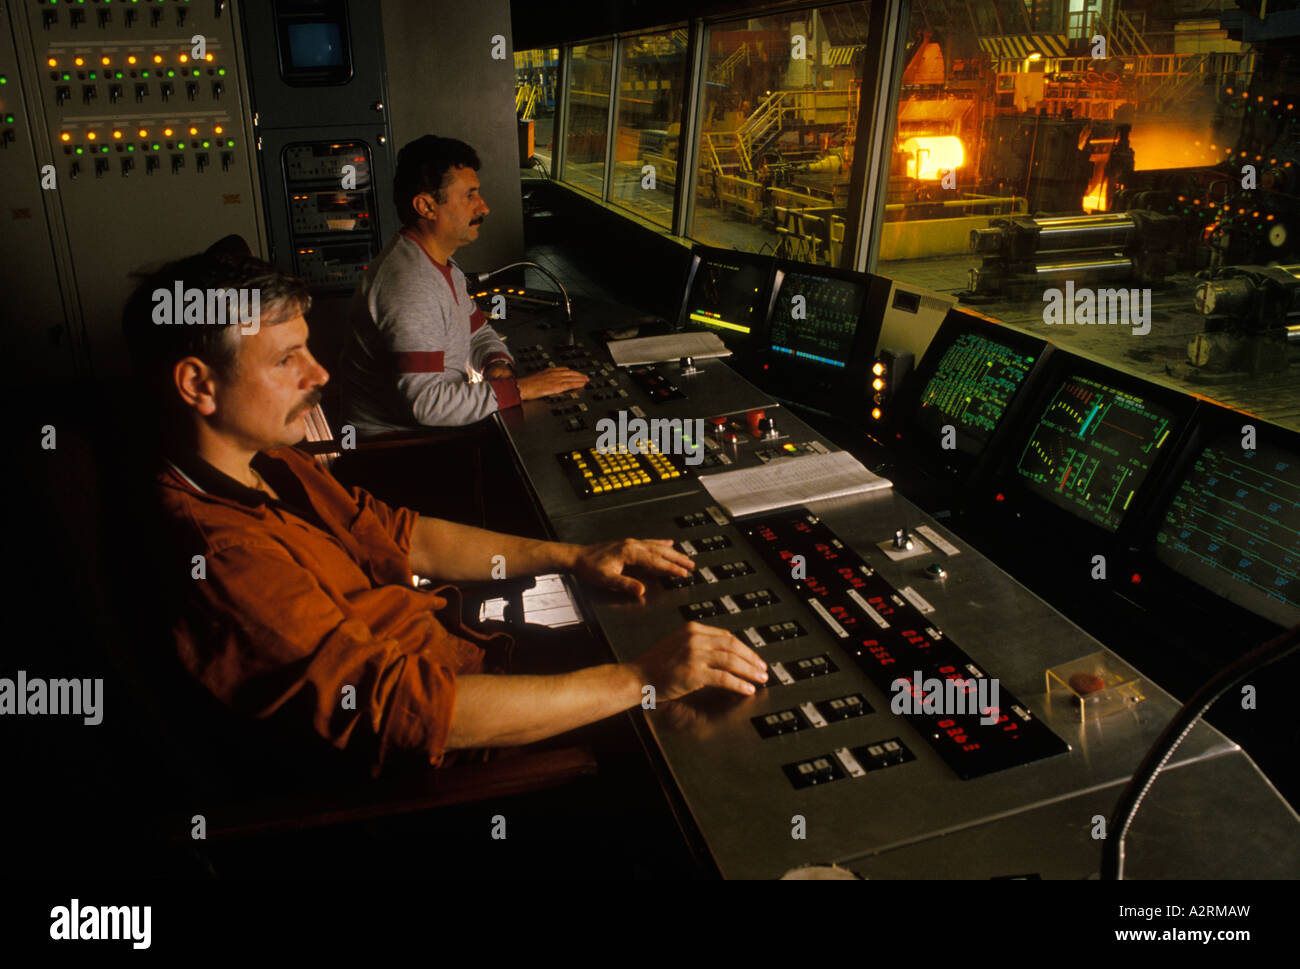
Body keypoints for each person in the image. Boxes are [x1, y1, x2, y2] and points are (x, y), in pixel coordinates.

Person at [121, 247, 768, 776]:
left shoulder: (266, 460)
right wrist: (640, 679)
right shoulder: (225, 556)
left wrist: (574, 556)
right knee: (723, 749)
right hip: (465, 753)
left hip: (460, 649)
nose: (319, 374)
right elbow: (408, 710)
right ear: (198, 385)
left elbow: (398, 535)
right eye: (287, 359)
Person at [339, 134, 588, 434]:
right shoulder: (412, 287)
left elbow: (476, 331)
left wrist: (496, 364)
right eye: (469, 195)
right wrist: (521, 389)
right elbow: (427, 404)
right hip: (399, 451)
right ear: (427, 206)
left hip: (432, 433)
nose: (484, 208)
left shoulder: (440, 265)